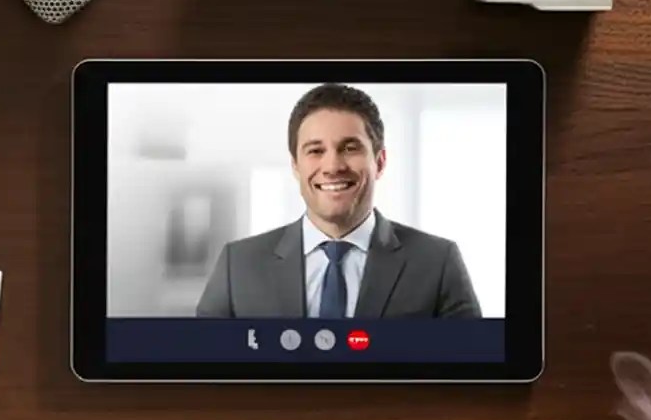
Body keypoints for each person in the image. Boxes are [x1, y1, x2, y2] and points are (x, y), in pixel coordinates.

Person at [196, 83, 481, 319]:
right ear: (295, 166)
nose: (332, 166)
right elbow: (203, 376)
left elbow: (473, 374)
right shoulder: (239, 265)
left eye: (349, 148)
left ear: (379, 162)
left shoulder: (437, 263)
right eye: (315, 150)